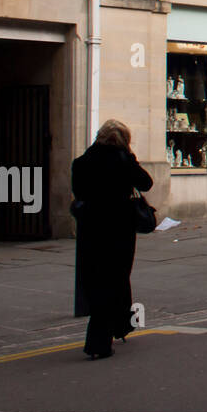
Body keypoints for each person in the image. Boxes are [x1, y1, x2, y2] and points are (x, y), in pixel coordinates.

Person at [71, 119, 153, 360]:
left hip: (90, 230)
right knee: (115, 279)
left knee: (98, 281)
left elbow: (79, 192)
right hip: (118, 229)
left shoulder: (82, 162)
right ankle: (100, 341)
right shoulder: (123, 161)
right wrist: (131, 159)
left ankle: (119, 325)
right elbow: (146, 183)